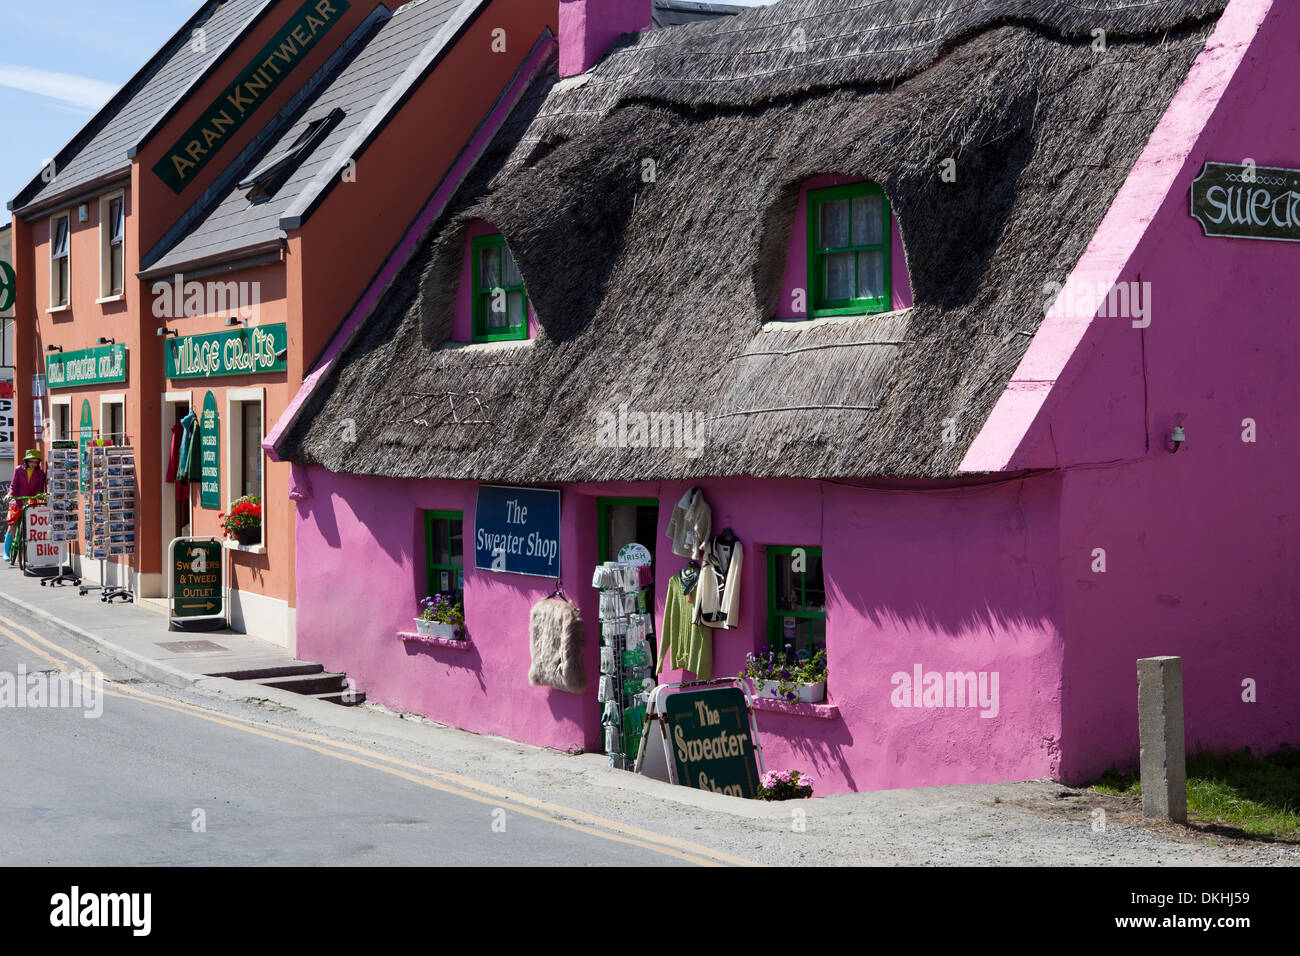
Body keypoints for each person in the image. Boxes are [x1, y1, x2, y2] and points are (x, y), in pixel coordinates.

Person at [4, 449, 46, 562]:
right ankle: (6, 552)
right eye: (31, 461)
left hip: (30, 501)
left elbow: (39, 488)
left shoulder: (40, 473)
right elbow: (13, 485)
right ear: (26, 461)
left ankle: (28, 552)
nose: (33, 464)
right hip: (17, 500)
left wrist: (40, 495)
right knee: (12, 525)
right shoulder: (18, 470)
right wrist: (9, 495)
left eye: (36, 462)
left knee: (31, 525)